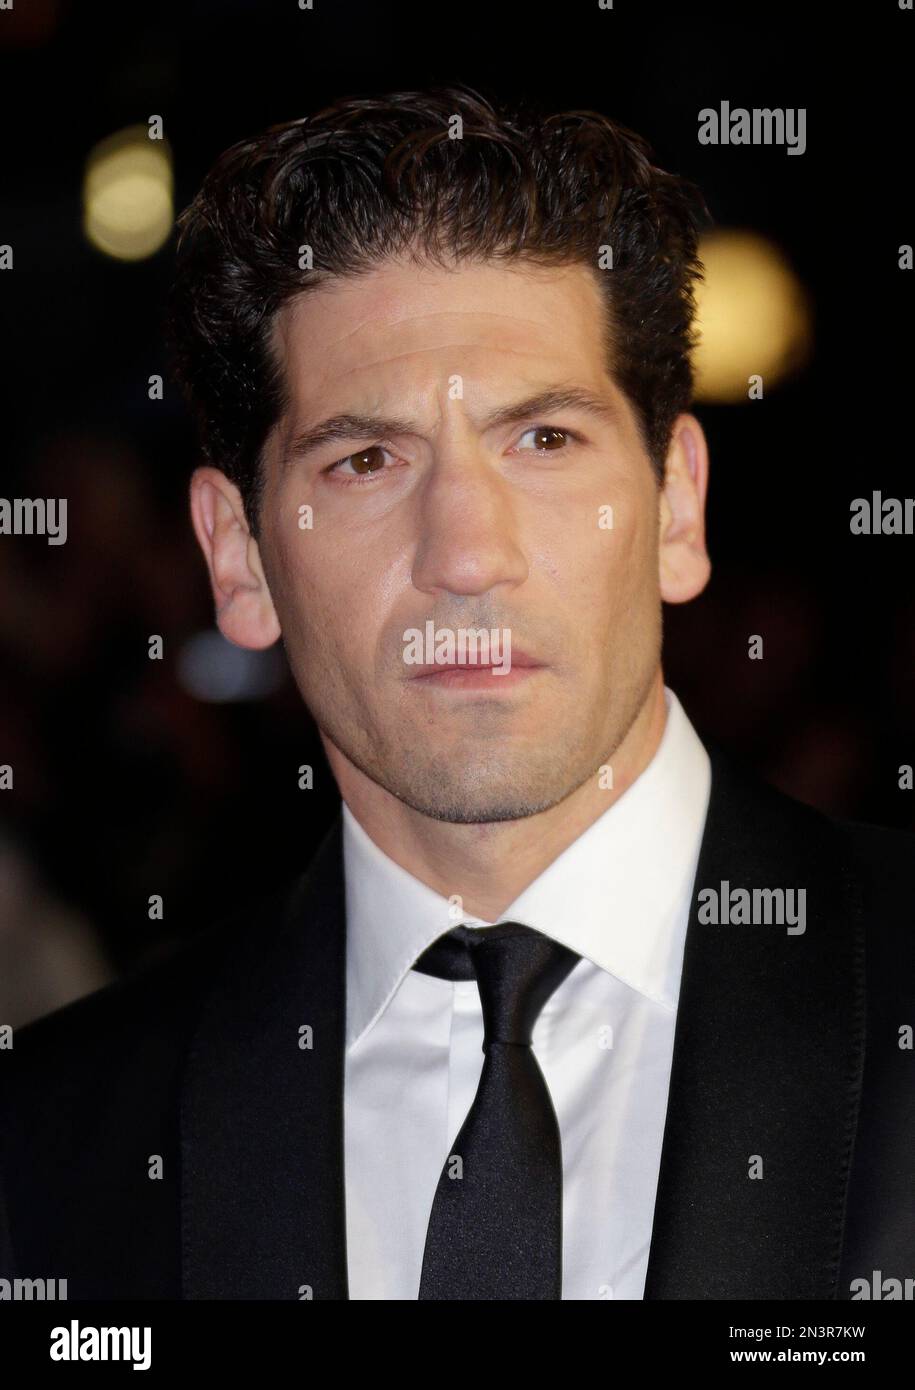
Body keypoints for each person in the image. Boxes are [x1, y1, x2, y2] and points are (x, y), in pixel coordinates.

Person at [1, 85, 912, 1302]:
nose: (468, 552)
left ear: (677, 508)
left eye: (544, 441)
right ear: (240, 558)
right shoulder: (51, 1154)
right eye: (367, 459)